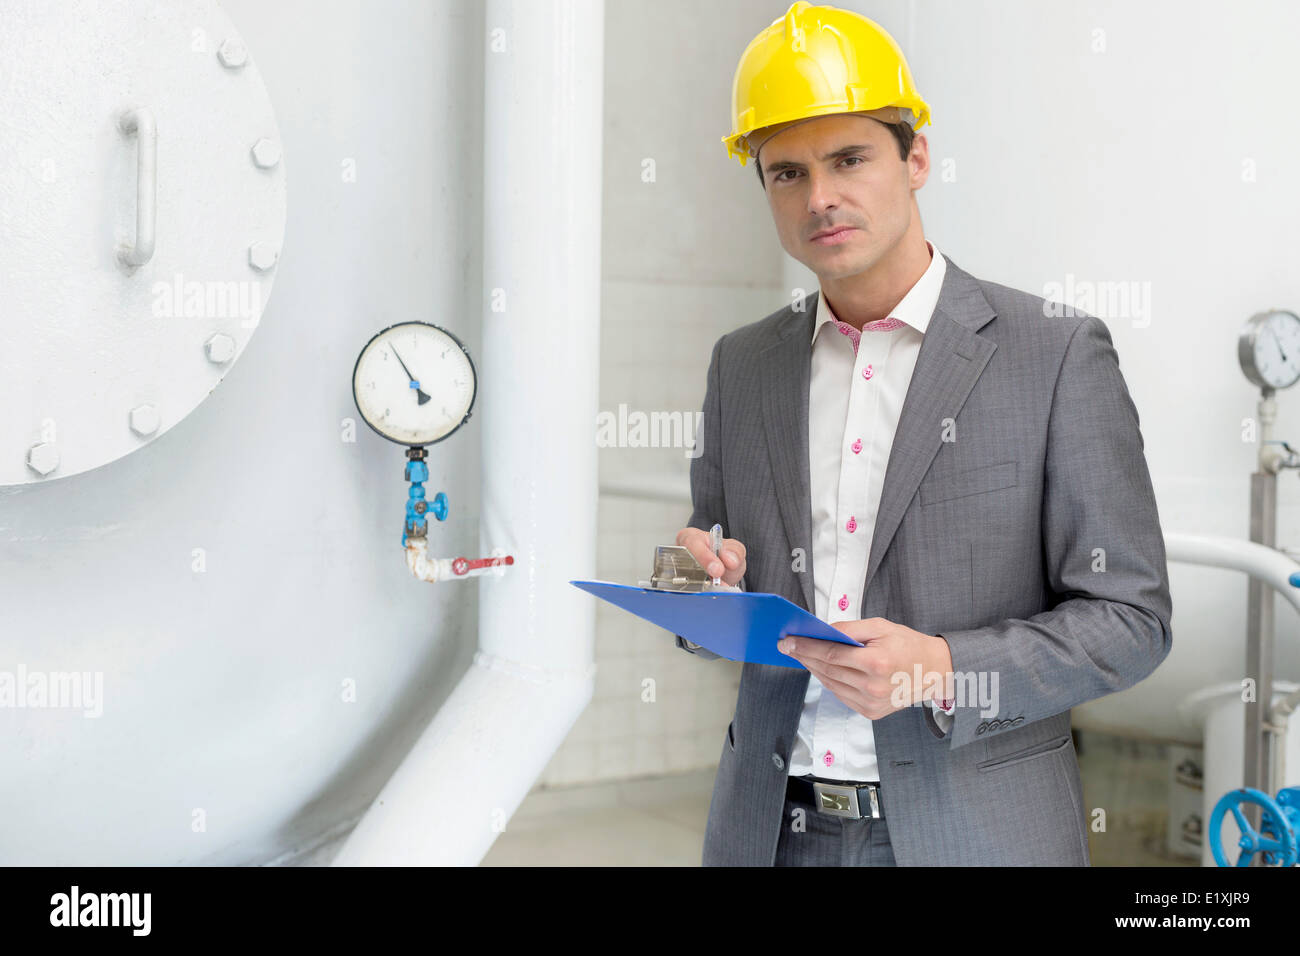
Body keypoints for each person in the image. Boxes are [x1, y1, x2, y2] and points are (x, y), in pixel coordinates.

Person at [672, 1, 1173, 866]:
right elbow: (718, 581)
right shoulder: (742, 365)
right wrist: (693, 584)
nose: (820, 196)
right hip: (768, 829)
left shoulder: (1052, 353)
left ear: (918, 160)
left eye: (849, 158)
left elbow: (1131, 621)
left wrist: (944, 667)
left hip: (973, 835)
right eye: (786, 173)